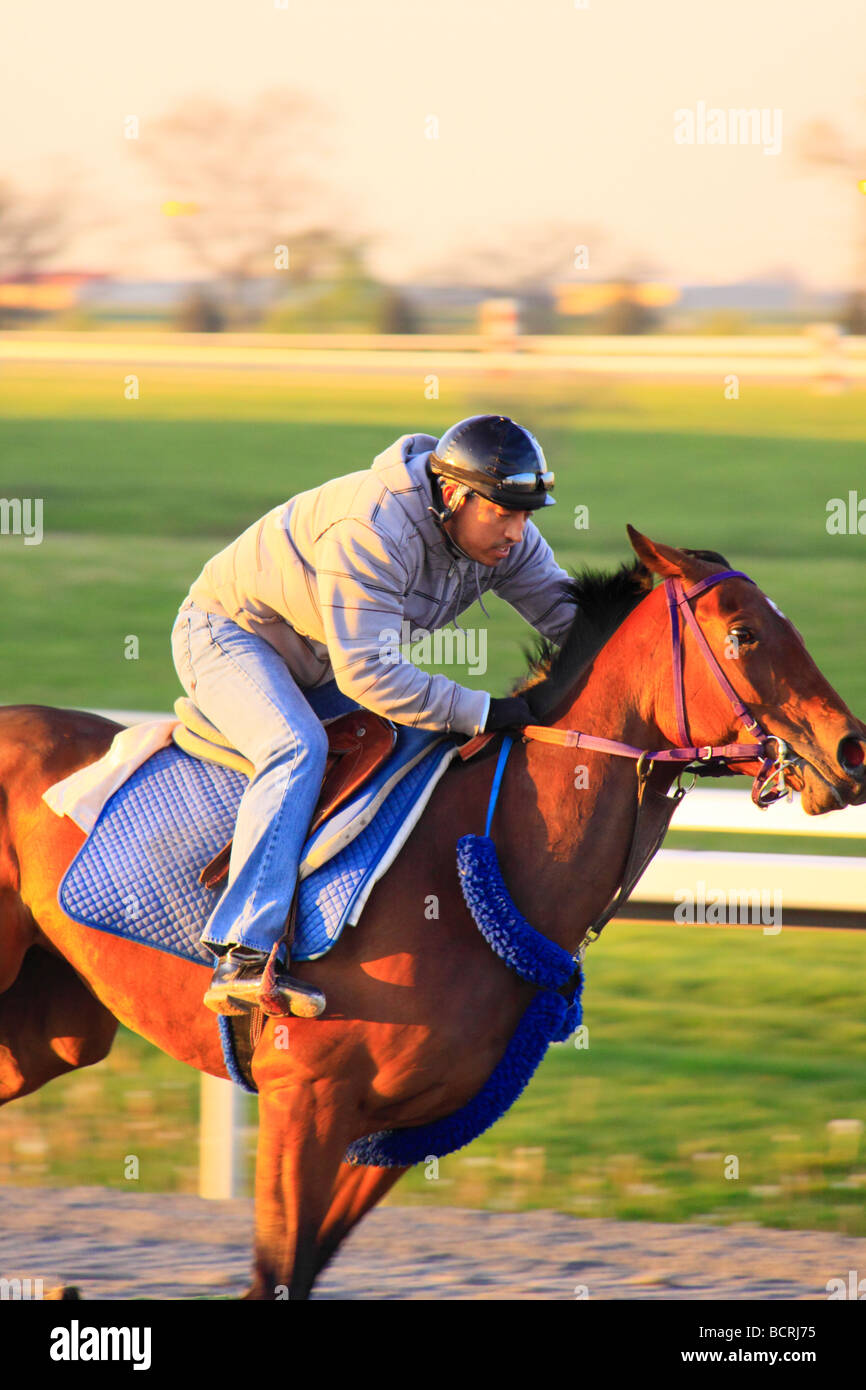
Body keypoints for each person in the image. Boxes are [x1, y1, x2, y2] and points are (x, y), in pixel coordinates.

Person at [170, 414, 578, 1017]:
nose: (518, 533)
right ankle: (243, 954)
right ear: (455, 495)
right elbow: (368, 673)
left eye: (527, 516)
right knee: (295, 747)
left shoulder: (498, 535)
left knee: (414, 745)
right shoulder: (373, 526)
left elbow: (573, 622)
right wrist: (482, 709)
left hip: (322, 657)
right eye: (504, 514)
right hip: (231, 633)